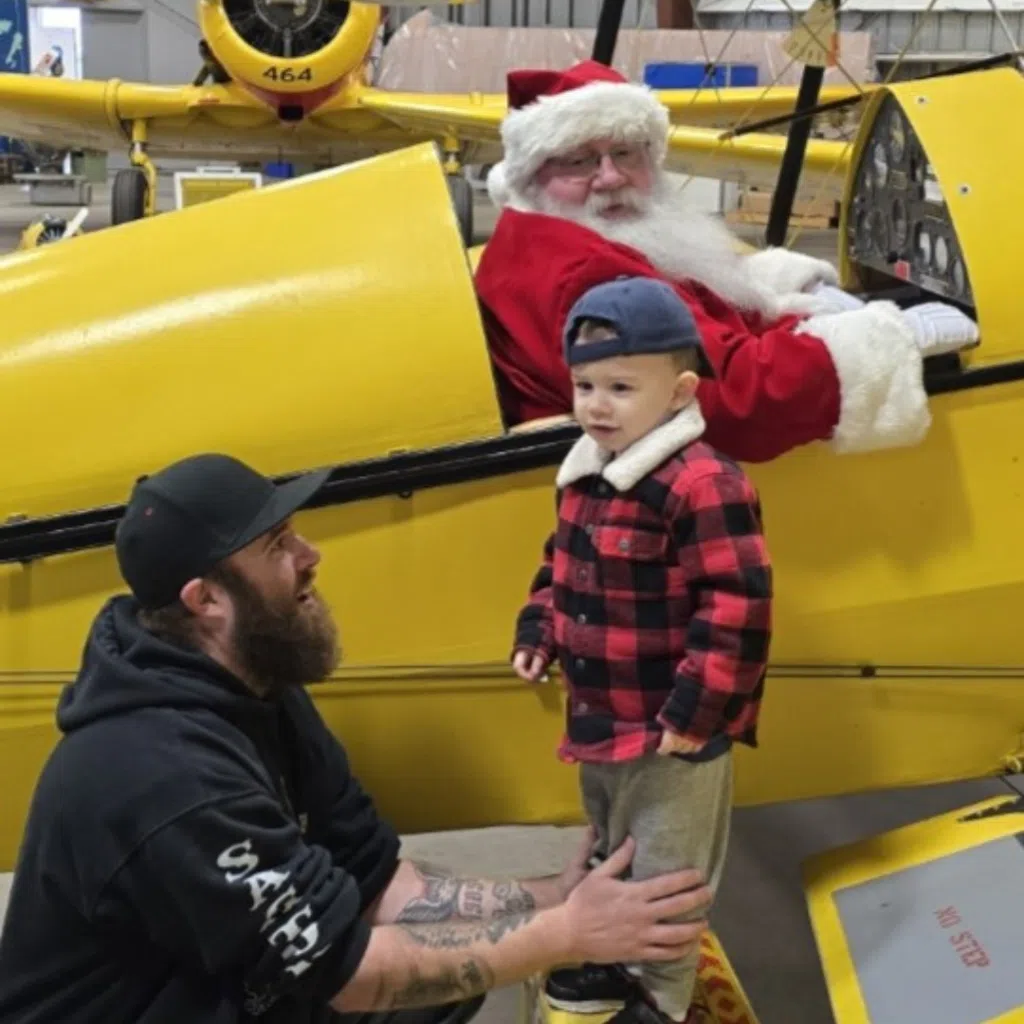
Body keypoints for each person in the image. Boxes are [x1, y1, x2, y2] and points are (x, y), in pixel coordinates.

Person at [0, 453, 714, 1024]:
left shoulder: (255, 684)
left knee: (442, 978)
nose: (312, 555)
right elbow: (345, 974)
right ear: (206, 600)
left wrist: (553, 898)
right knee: (414, 978)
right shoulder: (164, 778)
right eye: (279, 546)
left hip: (223, 979)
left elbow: (371, 877)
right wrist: (566, 937)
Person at [474, 59, 980, 463]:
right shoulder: (591, 276)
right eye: (579, 160)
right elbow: (733, 402)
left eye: (626, 153)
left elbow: (691, 310)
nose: (610, 177)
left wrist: (790, 304)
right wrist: (887, 340)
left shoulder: (541, 238)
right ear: (533, 174)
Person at [511, 277, 773, 1024]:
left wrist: (699, 709)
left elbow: (739, 608)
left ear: (681, 391)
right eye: (584, 385)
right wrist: (538, 630)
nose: (596, 405)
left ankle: (659, 1001)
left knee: (668, 876)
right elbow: (556, 565)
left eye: (621, 386)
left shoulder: (703, 484)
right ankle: (612, 961)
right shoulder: (587, 473)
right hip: (601, 720)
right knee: (611, 850)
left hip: (673, 731)